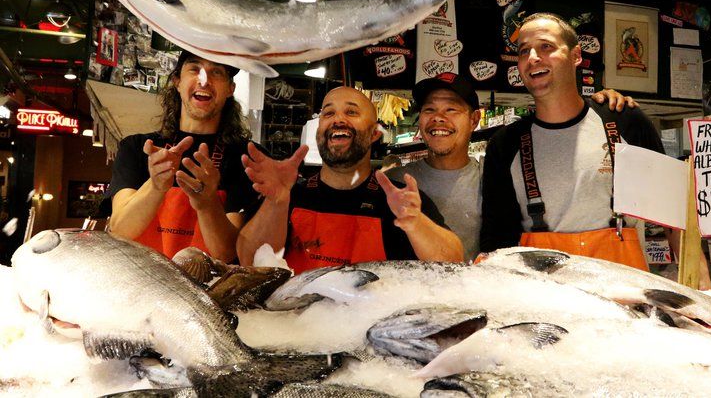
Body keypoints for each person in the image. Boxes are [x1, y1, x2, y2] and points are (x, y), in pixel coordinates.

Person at [480, 12, 665, 270]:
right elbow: (496, 245)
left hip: (623, 302)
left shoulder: (624, 121)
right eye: (523, 51)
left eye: (546, 46)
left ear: (576, 55)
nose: (532, 58)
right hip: (547, 302)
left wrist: (700, 287)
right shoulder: (505, 145)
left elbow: (675, 213)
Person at [388, 72, 637, 262]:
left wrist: (597, 109)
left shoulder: (498, 177)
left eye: (451, 109)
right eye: (429, 109)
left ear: (474, 119)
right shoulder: (394, 183)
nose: (438, 118)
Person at [236, 86, 463, 271]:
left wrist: (416, 223)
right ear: (319, 132)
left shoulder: (400, 200)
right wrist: (276, 203)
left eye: (352, 112)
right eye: (328, 113)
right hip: (295, 325)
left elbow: (453, 262)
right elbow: (249, 261)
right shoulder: (291, 194)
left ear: (374, 133)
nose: (338, 119)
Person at [109, 50, 260, 261]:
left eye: (216, 72)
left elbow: (227, 253)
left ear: (230, 89)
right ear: (177, 81)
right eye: (195, 69)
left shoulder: (248, 158)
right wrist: (155, 187)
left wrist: (207, 203)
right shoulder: (137, 148)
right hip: (143, 287)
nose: (204, 81)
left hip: (210, 293)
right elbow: (119, 232)